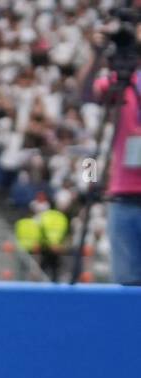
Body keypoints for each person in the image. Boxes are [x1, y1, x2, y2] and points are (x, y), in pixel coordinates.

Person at [77, 15, 141, 285]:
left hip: (124, 200)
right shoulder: (121, 80)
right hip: (123, 198)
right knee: (126, 284)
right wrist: (96, 55)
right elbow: (85, 93)